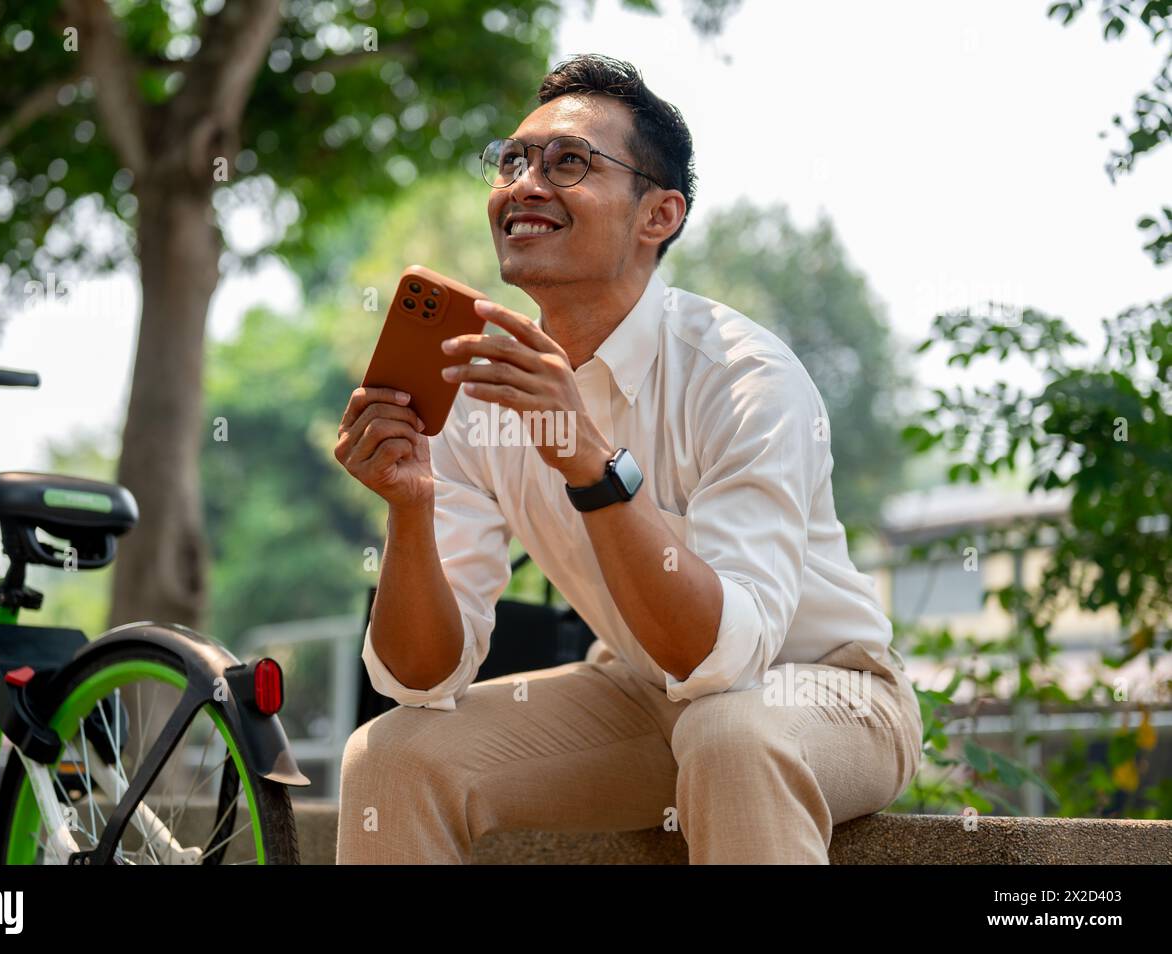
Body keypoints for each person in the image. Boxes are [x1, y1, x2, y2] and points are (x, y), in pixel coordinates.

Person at [332, 53, 922, 864]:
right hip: (640, 692)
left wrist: (593, 466)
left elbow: (722, 657)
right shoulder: (476, 393)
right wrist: (409, 506)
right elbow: (421, 676)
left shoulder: (744, 378)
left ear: (660, 215)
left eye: (569, 162)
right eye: (513, 160)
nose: (525, 185)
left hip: (829, 688)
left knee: (729, 730)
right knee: (392, 756)